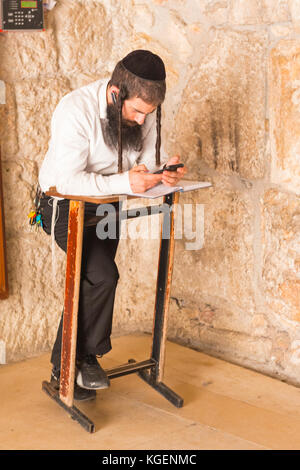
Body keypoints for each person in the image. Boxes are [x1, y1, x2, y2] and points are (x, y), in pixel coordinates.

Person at [38, 50, 186, 401]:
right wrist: (125, 183)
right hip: (63, 205)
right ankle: (85, 358)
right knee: (104, 275)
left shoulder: (142, 114)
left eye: (147, 114)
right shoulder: (75, 110)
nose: (139, 120)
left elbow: (145, 163)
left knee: (90, 281)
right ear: (116, 91)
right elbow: (67, 180)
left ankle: (66, 364)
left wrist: (163, 172)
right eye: (135, 110)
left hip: (106, 206)